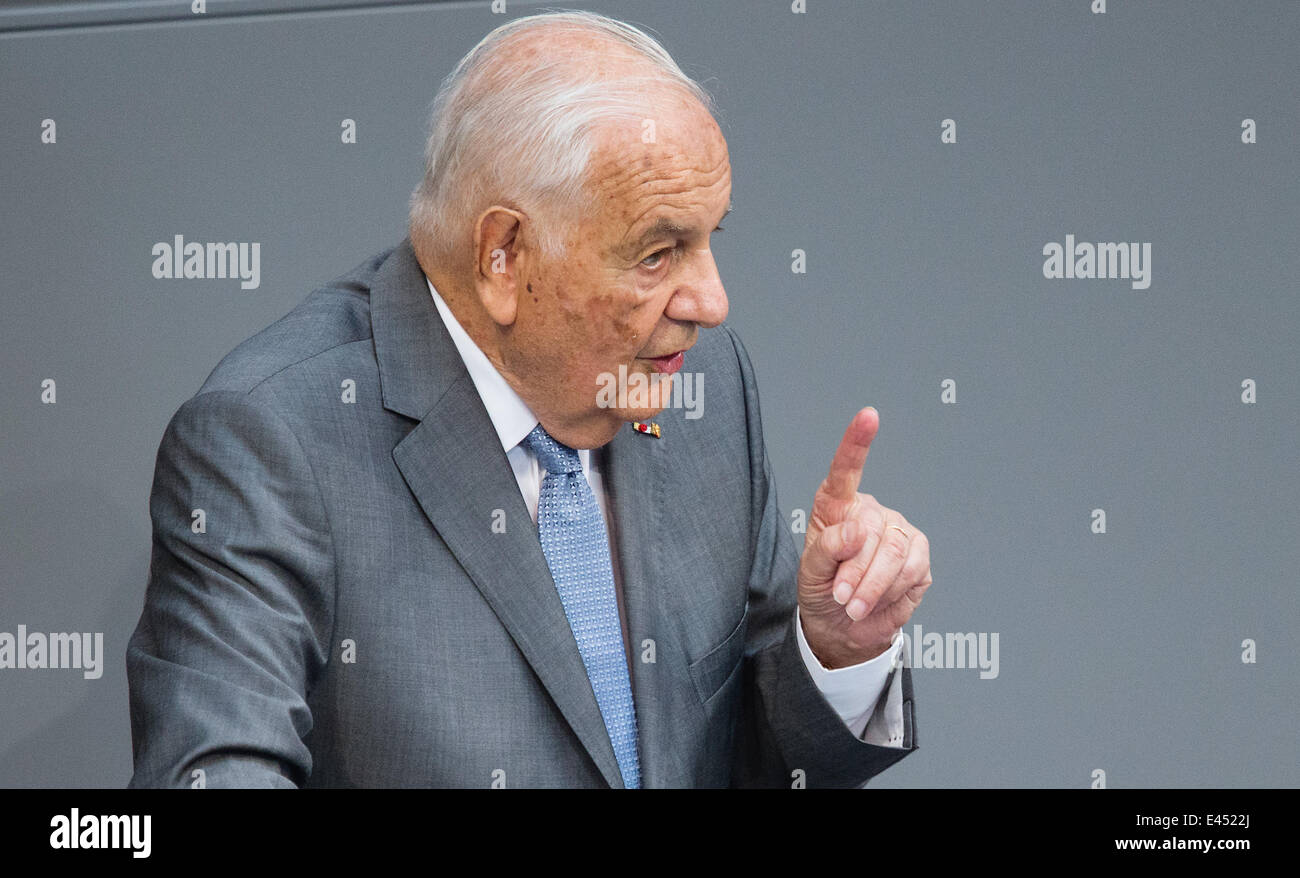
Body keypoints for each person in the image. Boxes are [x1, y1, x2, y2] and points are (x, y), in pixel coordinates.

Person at [126, 9, 932, 788]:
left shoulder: (700, 386)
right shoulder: (271, 443)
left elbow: (761, 756)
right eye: (658, 253)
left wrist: (835, 651)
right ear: (504, 256)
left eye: (709, 239)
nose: (711, 302)